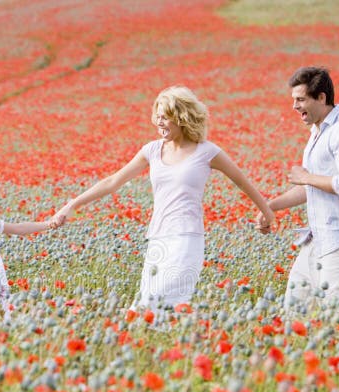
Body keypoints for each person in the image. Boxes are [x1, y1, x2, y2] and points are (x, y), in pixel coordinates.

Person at [51, 85, 275, 318]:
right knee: (151, 304)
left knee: (163, 301)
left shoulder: (207, 152)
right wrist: (72, 205)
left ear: (182, 118)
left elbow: (242, 182)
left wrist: (266, 212)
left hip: (187, 238)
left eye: (165, 118)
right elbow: (113, 181)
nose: (159, 123)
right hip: (158, 238)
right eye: (157, 117)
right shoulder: (152, 150)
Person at [259, 67, 339, 311]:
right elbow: (308, 188)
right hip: (318, 239)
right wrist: (269, 207)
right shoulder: (317, 132)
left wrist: (308, 177)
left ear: (321, 98)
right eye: (293, 100)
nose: (294, 107)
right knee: (295, 308)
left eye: (300, 99)